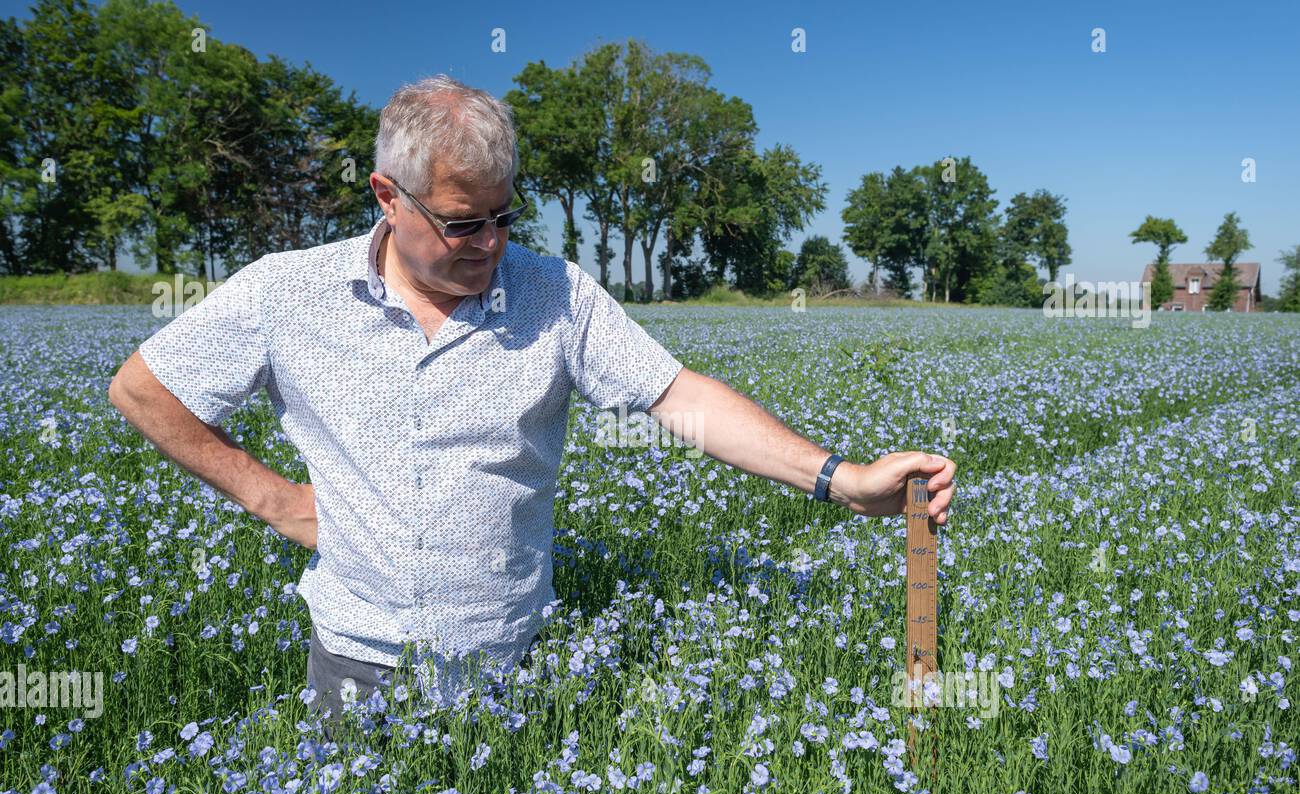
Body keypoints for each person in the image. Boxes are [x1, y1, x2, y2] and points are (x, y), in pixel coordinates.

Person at [107, 74, 956, 733]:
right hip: (355, 660)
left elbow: (677, 396)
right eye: (462, 223)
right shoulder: (287, 294)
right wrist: (277, 500)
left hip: (512, 667)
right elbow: (143, 389)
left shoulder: (556, 295)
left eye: (504, 216)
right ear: (386, 197)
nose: (491, 244)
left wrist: (841, 481)